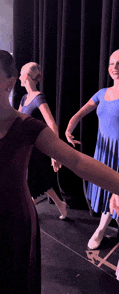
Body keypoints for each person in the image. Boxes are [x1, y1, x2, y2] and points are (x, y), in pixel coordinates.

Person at [0, 49, 119, 294]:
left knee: (15, 282)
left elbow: (77, 161)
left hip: (16, 218)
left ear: (10, 82)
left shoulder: (26, 126)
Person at [65, 49, 119, 250]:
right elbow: (79, 113)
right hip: (103, 153)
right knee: (107, 194)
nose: (115, 68)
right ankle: (102, 228)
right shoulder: (102, 93)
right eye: (112, 63)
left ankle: (101, 229)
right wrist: (69, 128)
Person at [18, 62, 67, 219]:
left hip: (36, 148)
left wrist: (55, 153)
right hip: (25, 147)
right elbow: (17, 120)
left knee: (31, 179)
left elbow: (52, 124)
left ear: (26, 77)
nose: (19, 77)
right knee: (37, 180)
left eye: (20, 74)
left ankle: (33, 208)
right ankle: (58, 204)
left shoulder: (38, 97)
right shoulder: (24, 98)